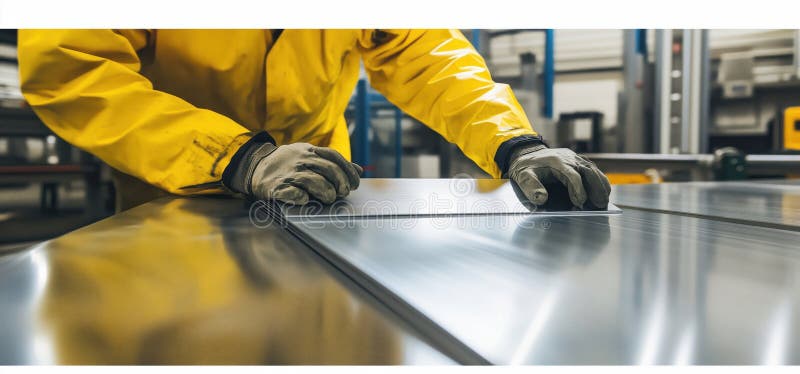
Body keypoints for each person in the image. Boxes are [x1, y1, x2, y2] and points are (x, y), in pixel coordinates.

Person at [18, 29, 610, 211]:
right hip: (174, 197)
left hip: (322, 196)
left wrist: (514, 143)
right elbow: (73, 69)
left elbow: (424, 54)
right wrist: (235, 158)